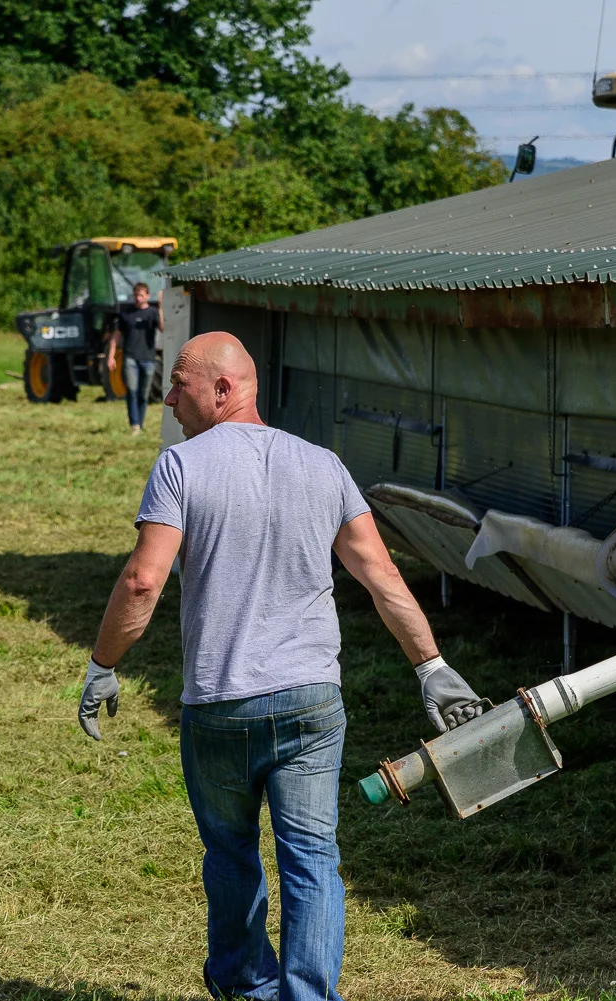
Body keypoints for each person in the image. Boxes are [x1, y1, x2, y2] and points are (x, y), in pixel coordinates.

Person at [77, 331, 485, 1001]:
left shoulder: (180, 467)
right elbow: (379, 574)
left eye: (181, 383)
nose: (170, 395)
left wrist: (102, 663)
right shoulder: (324, 465)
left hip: (220, 705)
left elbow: (143, 581)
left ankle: (243, 984)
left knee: (232, 854)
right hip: (311, 702)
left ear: (226, 389)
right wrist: (430, 664)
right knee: (312, 858)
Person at [107, 281, 163, 434]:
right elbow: (116, 336)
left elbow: (163, 328)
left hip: (148, 359)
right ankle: (135, 424)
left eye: (141, 295)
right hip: (130, 357)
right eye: (136, 295)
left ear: (147, 296)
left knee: (144, 395)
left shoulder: (153, 313)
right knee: (132, 390)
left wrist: (161, 307)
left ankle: (140, 422)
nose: (138, 298)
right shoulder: (126, 313)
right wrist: (111, 356)